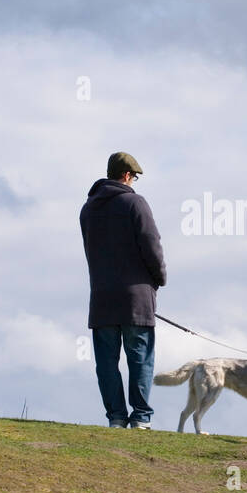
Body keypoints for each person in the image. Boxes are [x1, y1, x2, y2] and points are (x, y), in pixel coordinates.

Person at [80, 152, 167, 429]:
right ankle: (140, 418)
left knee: (106, 362)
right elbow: (152, 246)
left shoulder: (88, 209)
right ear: (128, 176)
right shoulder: (135, 203)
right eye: (135, 178)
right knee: (140, 358)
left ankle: (116, 417)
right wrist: (159, 278)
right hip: (135, 298)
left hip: (102, 297)